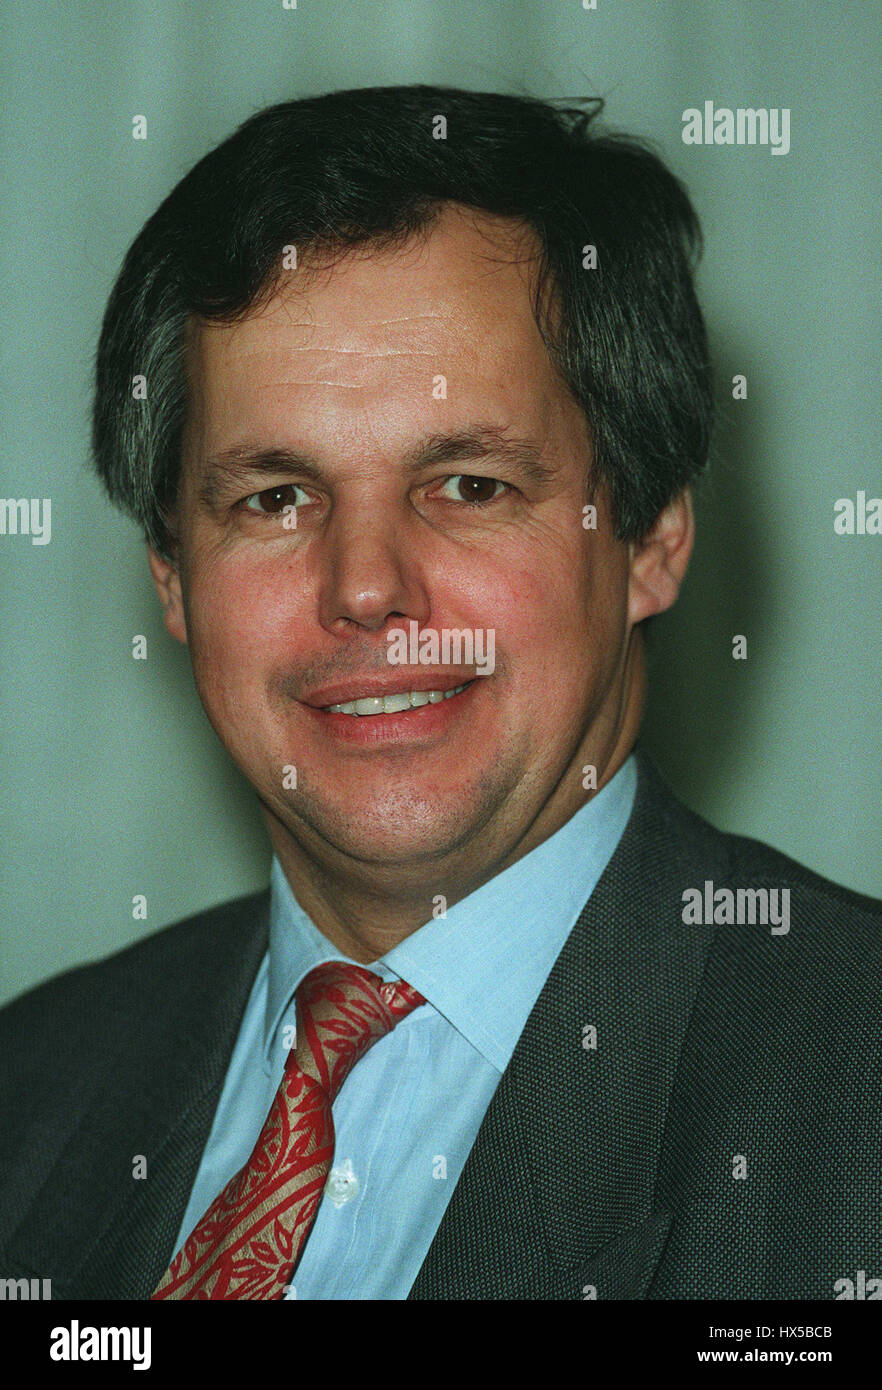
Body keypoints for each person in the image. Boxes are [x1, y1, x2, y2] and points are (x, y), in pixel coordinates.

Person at [1, 85, 879, 1302]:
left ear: (653, 534)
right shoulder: (31, 1091)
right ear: (172, 579)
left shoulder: (854, 1105)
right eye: (273, 497)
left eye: (468, 485)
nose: (364, 589)